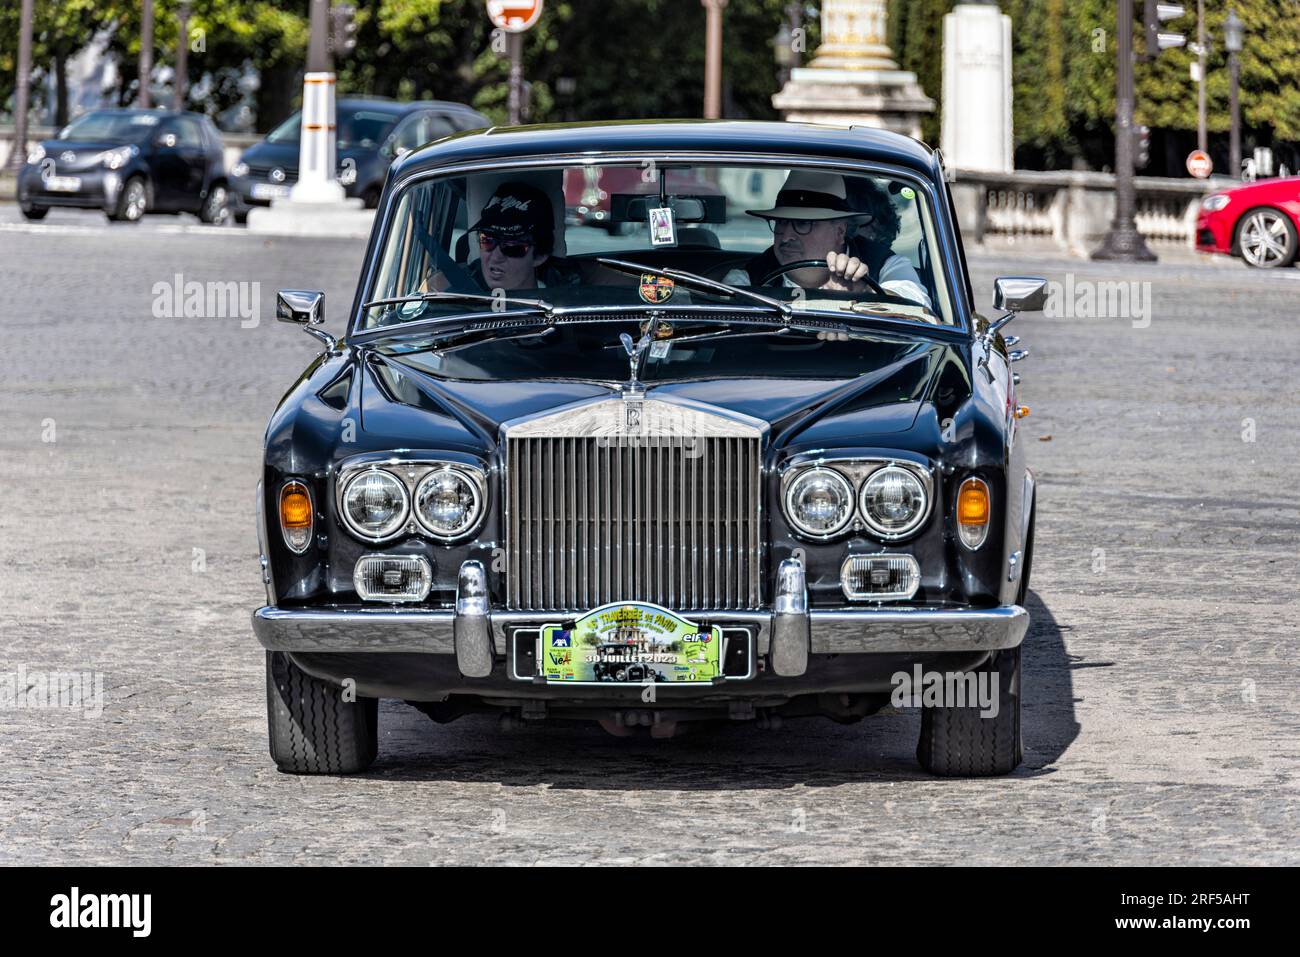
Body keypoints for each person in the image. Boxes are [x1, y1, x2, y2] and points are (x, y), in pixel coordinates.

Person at [729, 170, 931, 309]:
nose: (786, 236)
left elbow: (917, 303)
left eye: (802, 224)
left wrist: (866, 293)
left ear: (840, 231)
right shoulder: (750, 275)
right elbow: (725, 311)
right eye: (781, 222)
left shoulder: (884, 265)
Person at [422, 181, 576, 292]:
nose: (495, 257)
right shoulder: (448, 299)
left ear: (540, 256)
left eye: (511, 247)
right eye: (487, 241)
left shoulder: (569, 308)